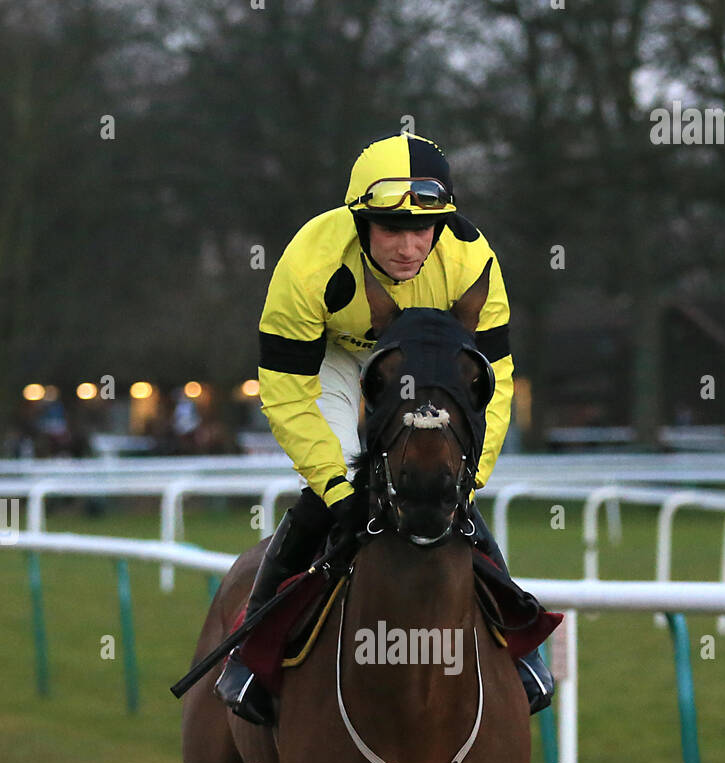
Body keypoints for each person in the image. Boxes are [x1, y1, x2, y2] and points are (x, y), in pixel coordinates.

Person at [216, 131, 554, 722]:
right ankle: (251, 650)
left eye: (421, 229)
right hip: (332, 357)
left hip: (424, 358)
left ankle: (522, 643)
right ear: (359, 221)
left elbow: (491, 386)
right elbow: (286, 391)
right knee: (336, 490)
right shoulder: (309, 262)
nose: (407, 246)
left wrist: (469, 479)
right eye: (390, 227)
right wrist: (336, 487)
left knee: (441, 481)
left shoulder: (473, 262)